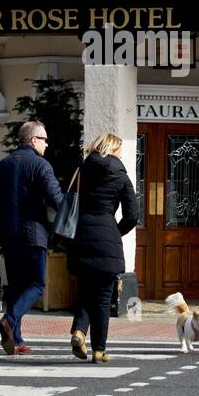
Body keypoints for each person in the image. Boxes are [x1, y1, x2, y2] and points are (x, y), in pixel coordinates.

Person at [0, 120, 63, 355]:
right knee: (37, 285)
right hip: (34, 234)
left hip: (9, 235)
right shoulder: (41, 166)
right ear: (33, 140)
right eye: (45, 140)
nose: (47, 145)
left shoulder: (2, 166)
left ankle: (15, 339)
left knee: (16, 287)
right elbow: (56, 200)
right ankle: (9, 320)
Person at [66, 133, 139, 363]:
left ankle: (79, 331)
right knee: (104, 296)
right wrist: (116, 231)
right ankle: (99, 350)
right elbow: (132, 215)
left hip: (82, 234)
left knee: (86, 290)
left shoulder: (82, 170)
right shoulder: (121, 175)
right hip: (108, 235)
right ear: (114, 150)